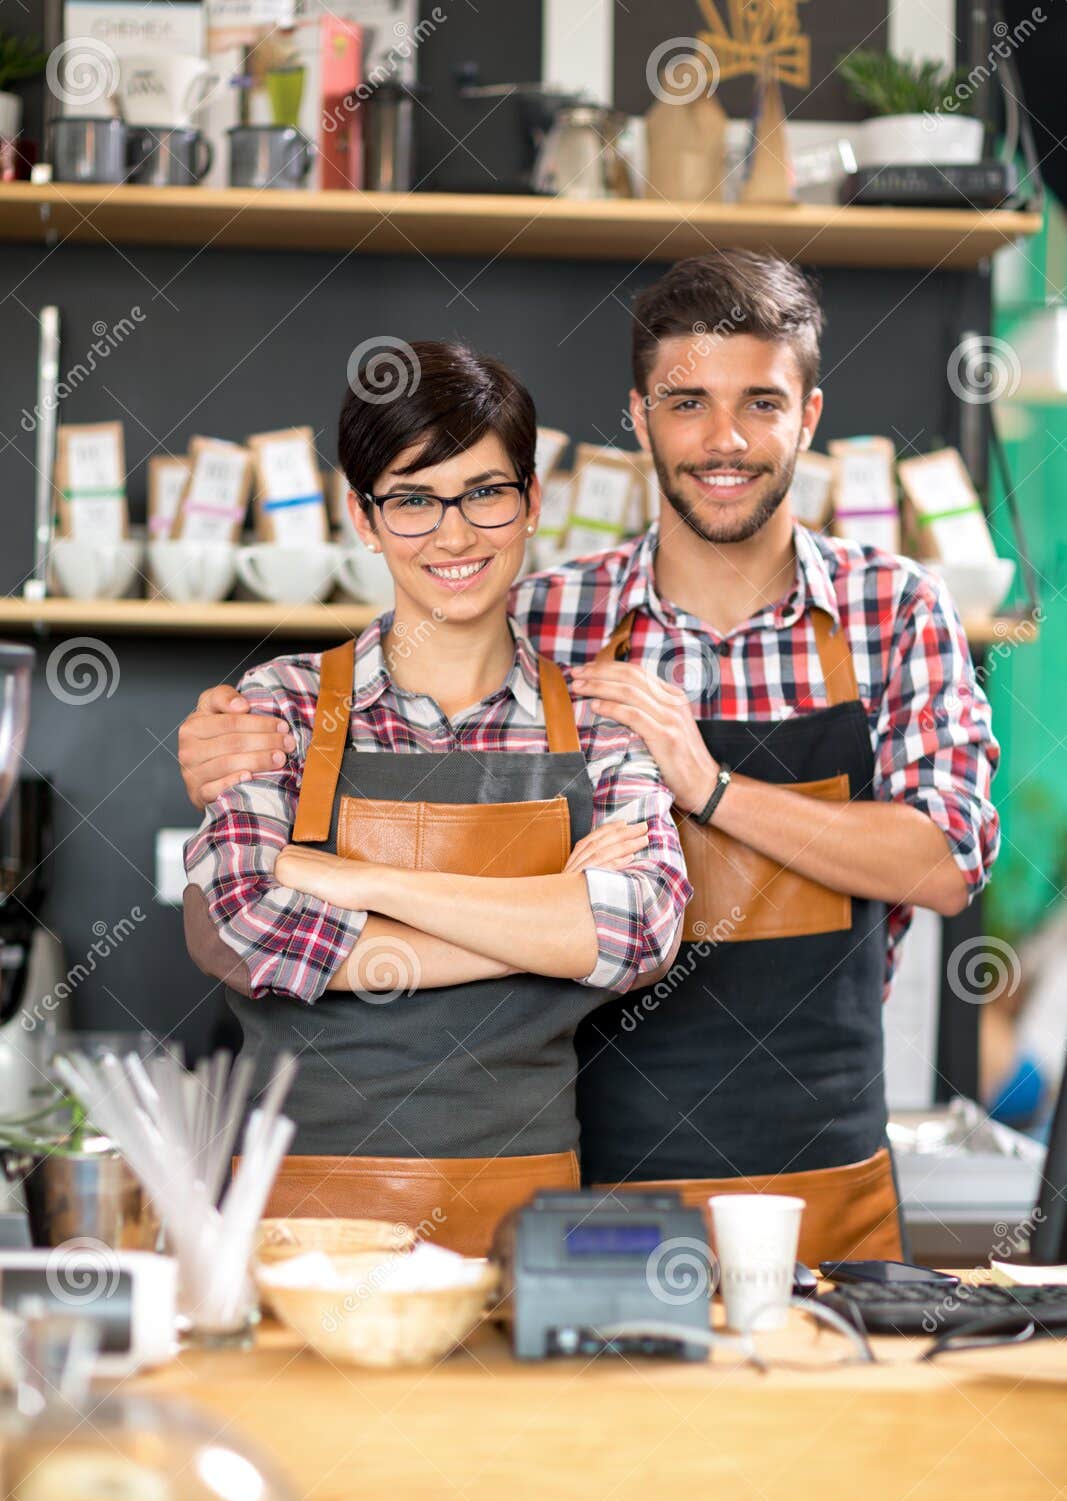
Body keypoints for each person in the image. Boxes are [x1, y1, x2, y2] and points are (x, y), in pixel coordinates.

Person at [179, 252, 1000, 1264]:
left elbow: (943, 861)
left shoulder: (894, 609)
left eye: (761, 401)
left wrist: (709, 785)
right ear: (638, 415)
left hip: (815, 1165)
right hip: (584, 1166)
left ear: (808, 413)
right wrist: (231, 744)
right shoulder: (543, 615)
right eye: (686, 400)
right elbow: (386, 704)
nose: (725, 438)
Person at [183, 341, 689, 1255]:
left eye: (484, 493)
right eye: (413, 500)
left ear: (532, 504)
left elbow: (641, 934)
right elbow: (253, 929)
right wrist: (544, 931)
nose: (453, 537)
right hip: (298, 1219)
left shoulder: (603, 724)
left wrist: (363, 883)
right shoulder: (279, 709)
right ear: (363, 519)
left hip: (527, 1222)